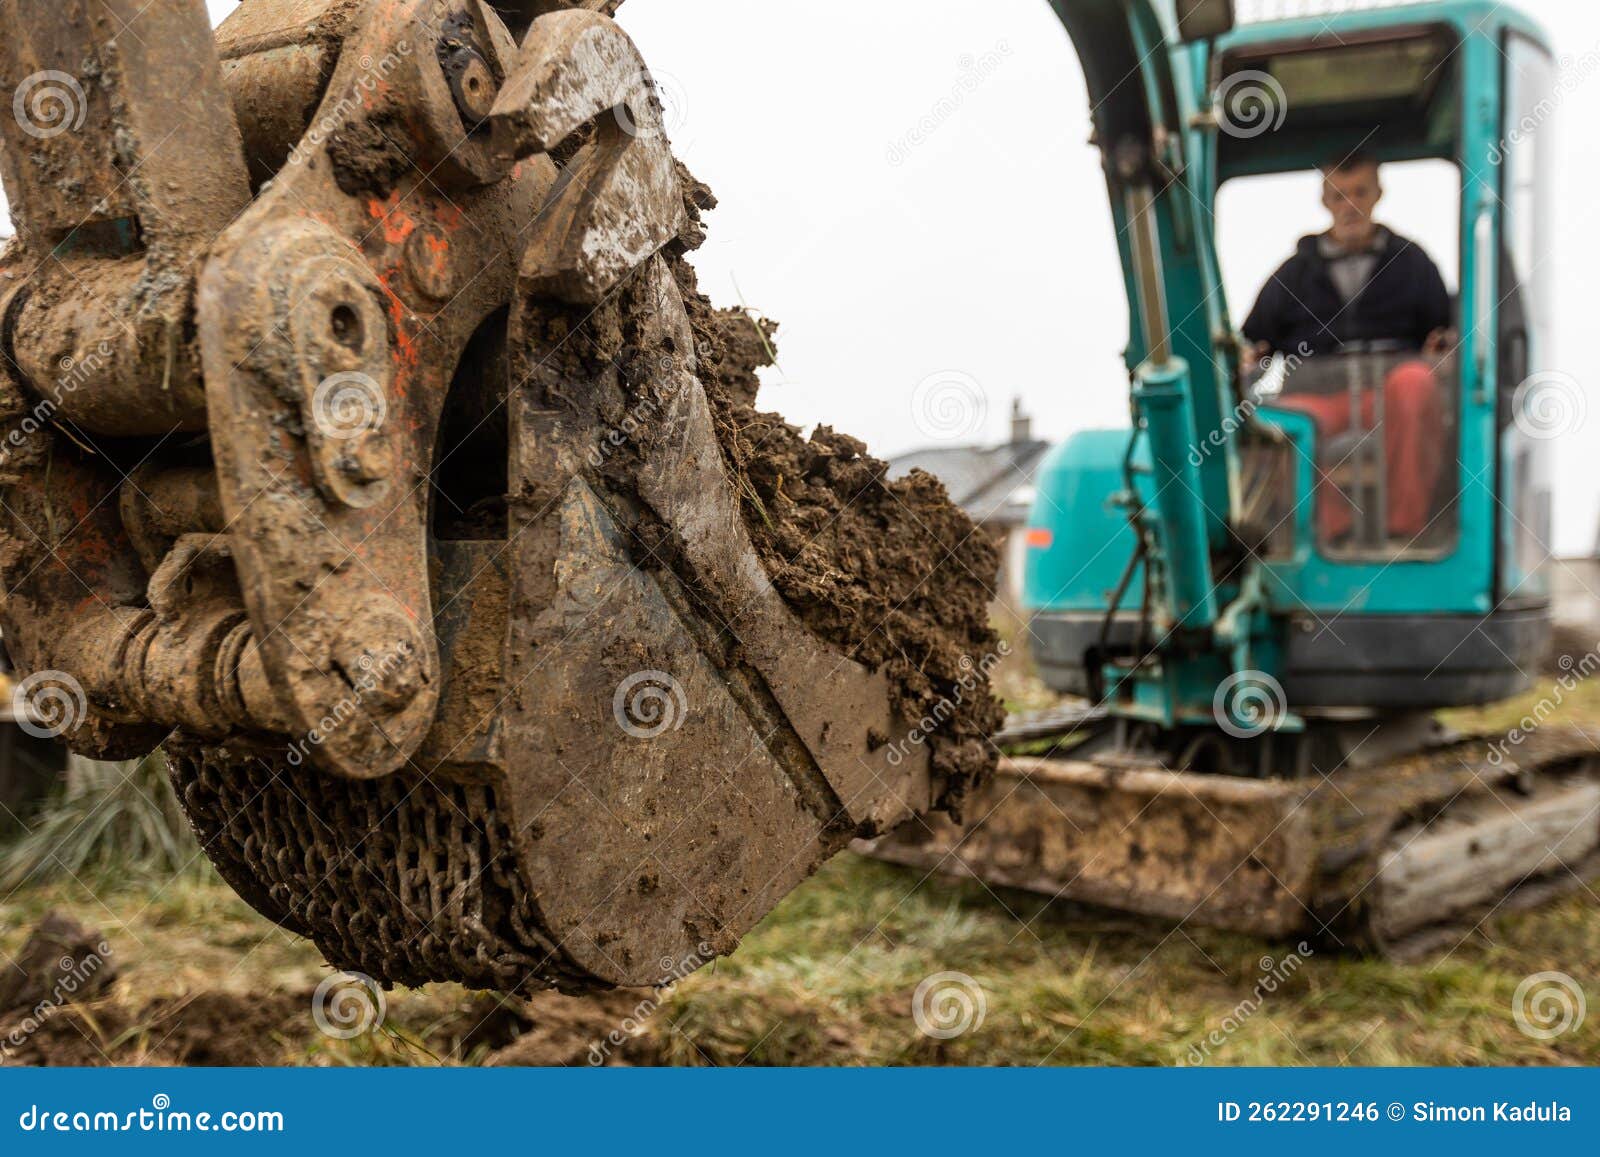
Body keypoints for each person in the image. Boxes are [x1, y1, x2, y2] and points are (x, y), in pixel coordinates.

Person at [1241, 153, 1453, 544]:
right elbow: (1255, 343)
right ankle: (1325, 536)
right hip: (1319, 396)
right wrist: (1245, 362)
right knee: (1281, 421)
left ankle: (1404, 534)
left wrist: (1442, 354)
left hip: (1386, 393)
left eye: (1359, 193)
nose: (1349, 206)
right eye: (1339, 196)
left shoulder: (1413, 263)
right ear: (1325, 200)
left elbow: (1442, 333)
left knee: (1415, 385)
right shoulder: (1294, 272)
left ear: (1377, 195)